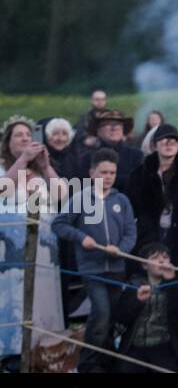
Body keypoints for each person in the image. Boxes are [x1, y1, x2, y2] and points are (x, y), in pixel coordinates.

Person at [53, 149, 137, 372]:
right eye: (103, 172)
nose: (108, 177)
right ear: (92, 173)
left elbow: (130, 232)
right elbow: (59, 225)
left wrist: (120, 250)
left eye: (112, 172)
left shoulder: (122, 200)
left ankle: (107, 360)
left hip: (117, 268)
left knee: (112, 316)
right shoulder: (80, 199)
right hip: (92, 269)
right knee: (101, 312)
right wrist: (82, 238)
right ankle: (88, 363)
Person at [0, 116, 67, 367]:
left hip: (44, 248)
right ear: (8, 142)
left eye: (29, 135)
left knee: (42, 300)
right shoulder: (3, 167)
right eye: (19, 135)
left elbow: (62, 195)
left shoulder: (40, 170)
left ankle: (45, 352)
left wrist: (46, 165)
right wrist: (22, 160)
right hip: (11, 253)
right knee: (14, 299)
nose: (26, 139)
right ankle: (11, 354)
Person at [125, 124, 178, 271]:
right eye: (164, 140)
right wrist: (141, 233)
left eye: (173, 141)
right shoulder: (139, 175)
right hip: (148, 240)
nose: (169, 144)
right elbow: (130, 210)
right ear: (154, 145)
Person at [114, 243, 178, 373]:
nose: (162, 260)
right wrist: (137, 301)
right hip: (136, 346)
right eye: (155, 258)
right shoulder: (133, 285)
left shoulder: (176, 283)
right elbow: (121, 317)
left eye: (165, 257)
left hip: (165, 346)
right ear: (144, 265)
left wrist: (172, 281)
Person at [73, 108, 143, 183]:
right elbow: (84, 185)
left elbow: (139, 183)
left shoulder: (136, 155)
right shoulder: (87, 158)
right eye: (108, 124)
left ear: (123, 130)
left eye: (118, 124)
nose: (114, 128)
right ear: (98, 131)